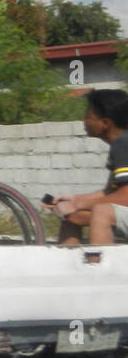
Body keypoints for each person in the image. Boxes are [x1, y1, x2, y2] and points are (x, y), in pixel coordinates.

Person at [50, 89, 128, 245]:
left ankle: (98, 267)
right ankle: (68, 267)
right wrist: (74, 200)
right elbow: (110, 192)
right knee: (73, 216)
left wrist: (78, 205)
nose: (83, 121)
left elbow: (125, 198)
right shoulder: (121, 143)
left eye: (88, 117)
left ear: (105, 123)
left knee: (102, 212)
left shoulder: (123, 145)